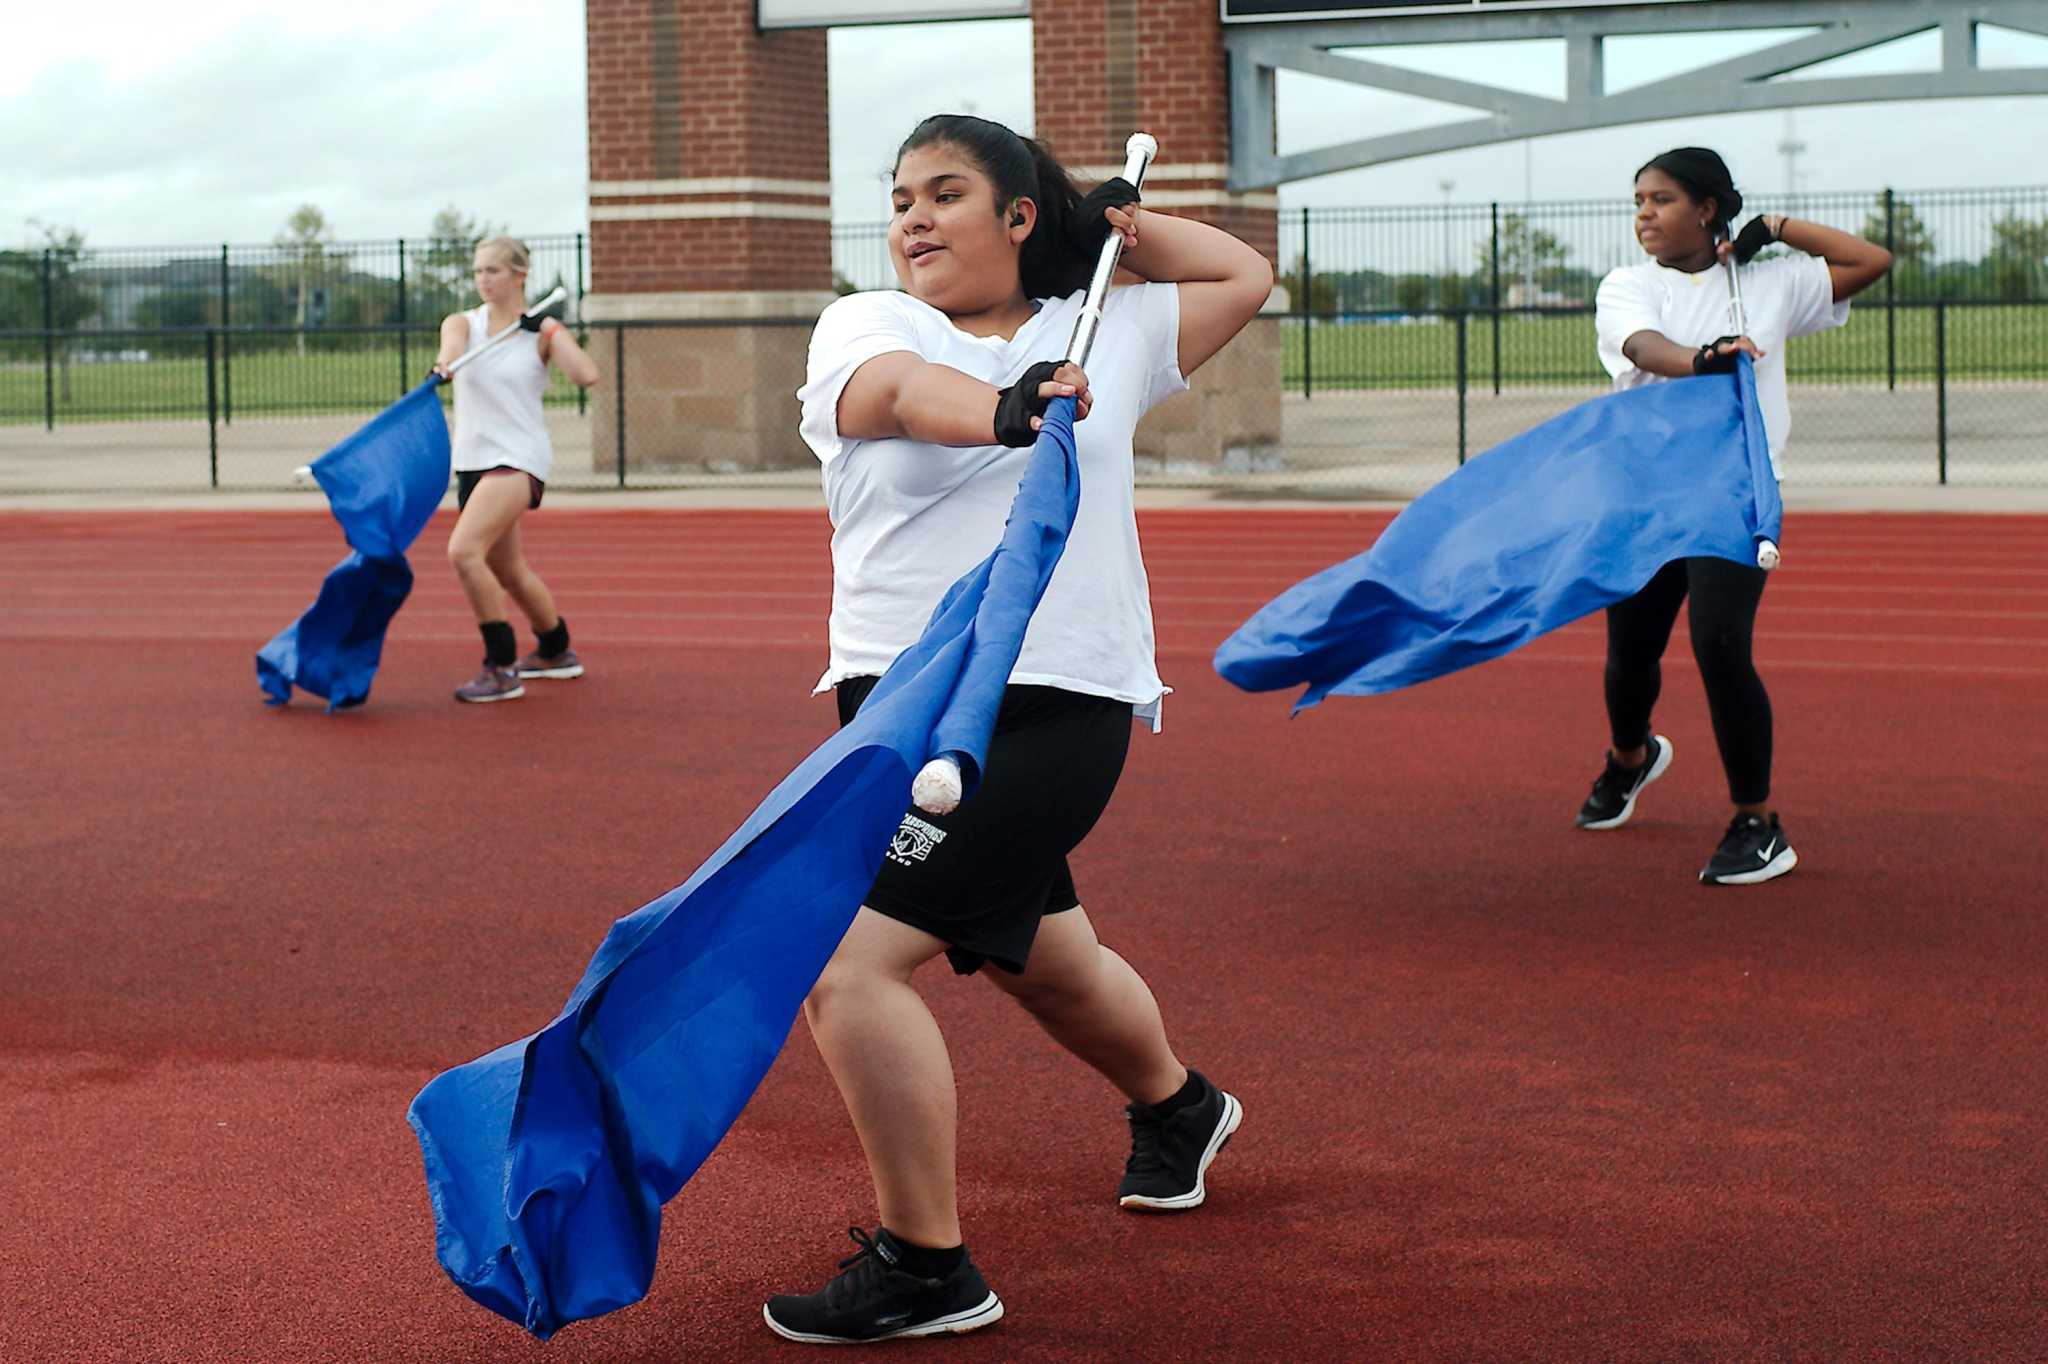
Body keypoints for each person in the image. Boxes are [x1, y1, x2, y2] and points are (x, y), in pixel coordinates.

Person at [765, 114, 1273, 1345]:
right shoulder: (869, 325)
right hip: (894, 705)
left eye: (946, 193)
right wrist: (1001, 407)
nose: (912, 219)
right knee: (1034, 955)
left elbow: (1243, 275)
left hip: (1052, 697)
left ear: (1020, 217)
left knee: (846, 964)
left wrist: (1126, 225)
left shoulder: (1104, 321)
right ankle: (1177, 1104)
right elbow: (894, 399)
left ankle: (924, 1262)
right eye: (899, 198)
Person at [1578, 147, 1891, 884]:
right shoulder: (1627, 285)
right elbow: (1641, 346)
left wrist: (1776, 226)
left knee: (1720, 643)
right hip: (1648, 494)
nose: (1644, 215)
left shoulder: (1769, 284)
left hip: (1737, 492)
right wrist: (1705, 357)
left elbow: (1871, 259)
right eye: (1639, 201)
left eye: (1660, 200)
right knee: (1631, 652)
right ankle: (1631, 757)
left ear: (1708, 209)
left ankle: (1757, 821)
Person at [434, 236, 600, 703]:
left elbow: (586, 374)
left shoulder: (538, 333)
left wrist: (550, 332)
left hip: (517, 458)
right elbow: (450, 351)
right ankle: (555, 648)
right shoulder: (463, 323)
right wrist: (443, 366)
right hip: (472, 460)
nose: (482, 279)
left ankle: (501, 666)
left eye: (493, 271)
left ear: (519, 276)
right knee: (506, 568)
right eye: (478, 272)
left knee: (463, 551)